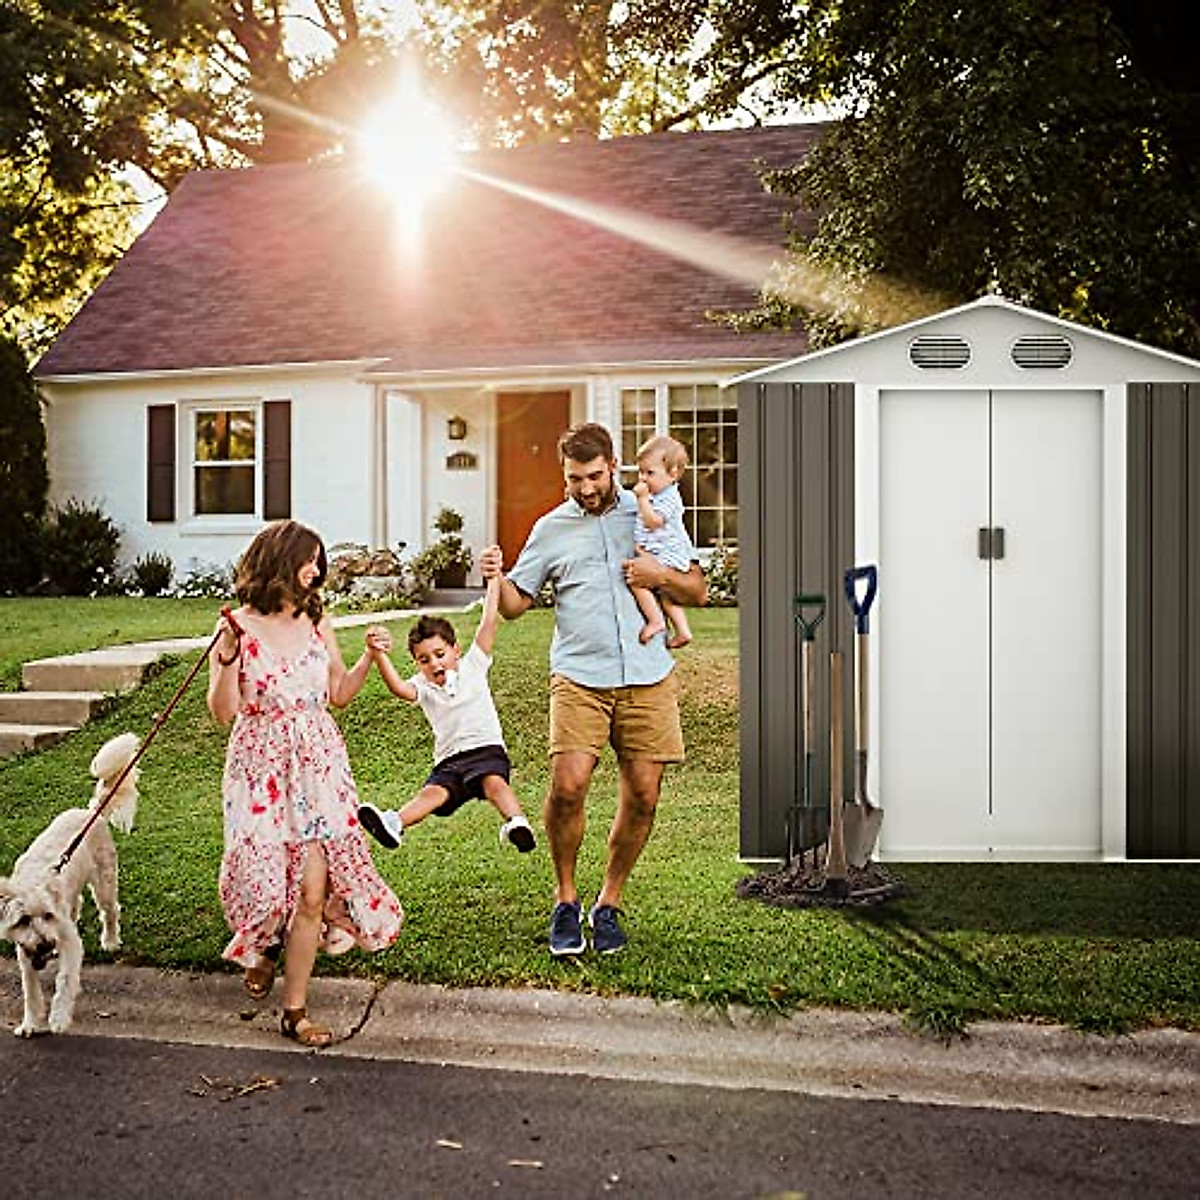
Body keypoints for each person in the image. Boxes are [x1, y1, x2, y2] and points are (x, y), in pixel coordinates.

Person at [480, 421, 707, 957]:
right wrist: (494, 575)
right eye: (575, 478)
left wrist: (659, 576)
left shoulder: (651, 511)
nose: (585, 488)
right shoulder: (551, 528)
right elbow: (516, 604)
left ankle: (608, 903)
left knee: (645, 795)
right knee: (568, 785)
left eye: (595, 476)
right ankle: (565, 899)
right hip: (580, 677)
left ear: (614, 465)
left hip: (648, 677)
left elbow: (696, 589)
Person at [207, 519, 403, 1049]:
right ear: (278, 561)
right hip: (260, 767)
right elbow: (223, 712)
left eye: (319, 560)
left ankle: (294, 1010)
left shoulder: (319, 621)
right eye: (307, 559)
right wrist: (225, 656)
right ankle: (264, 942)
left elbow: (338, 692)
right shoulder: (237, 627)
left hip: (319, 763)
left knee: (314, 890)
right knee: (266, 881)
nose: (316, 569)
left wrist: (369, 656)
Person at [356, 573, 537, 854]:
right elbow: (399, 689)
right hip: (450, 761)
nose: (434, 664)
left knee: (494, 783)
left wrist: (492, 580)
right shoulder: (423, 686)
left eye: (440, 654)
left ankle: (516, 822)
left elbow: (488, 620)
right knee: (432, 794)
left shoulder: (473, 665)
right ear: (417, 663)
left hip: (484, 749)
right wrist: (378, 655)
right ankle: (394, 823)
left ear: (456, 650)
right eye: (424, 660)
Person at [629, 433, 696, 649]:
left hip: (666, 556)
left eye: (650, 473)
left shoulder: (669, 498)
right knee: (667, 596)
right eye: (640, 472)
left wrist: (641, 499)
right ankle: (683, 631)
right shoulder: (658, 495)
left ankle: (656, 620)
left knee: (637, 582)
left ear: (673, 474)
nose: (643, 478)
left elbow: (653, 522)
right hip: (663, 554)